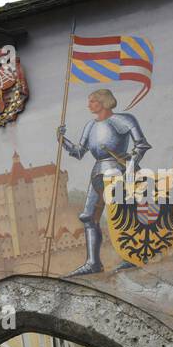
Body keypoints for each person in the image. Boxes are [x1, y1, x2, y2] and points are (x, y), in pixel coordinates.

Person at [56, 88, 151, 275]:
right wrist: (62, 140)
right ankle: (93, 263)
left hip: (119, 169)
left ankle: (132, 255)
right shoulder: (90, 126)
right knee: (89, 217)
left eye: (92, 101)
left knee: (123, 214)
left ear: (103, 101)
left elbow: (141, 145)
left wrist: (130, 166)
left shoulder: (124, 120)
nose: (88, 105)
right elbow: (78, 152)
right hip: (98, 172)